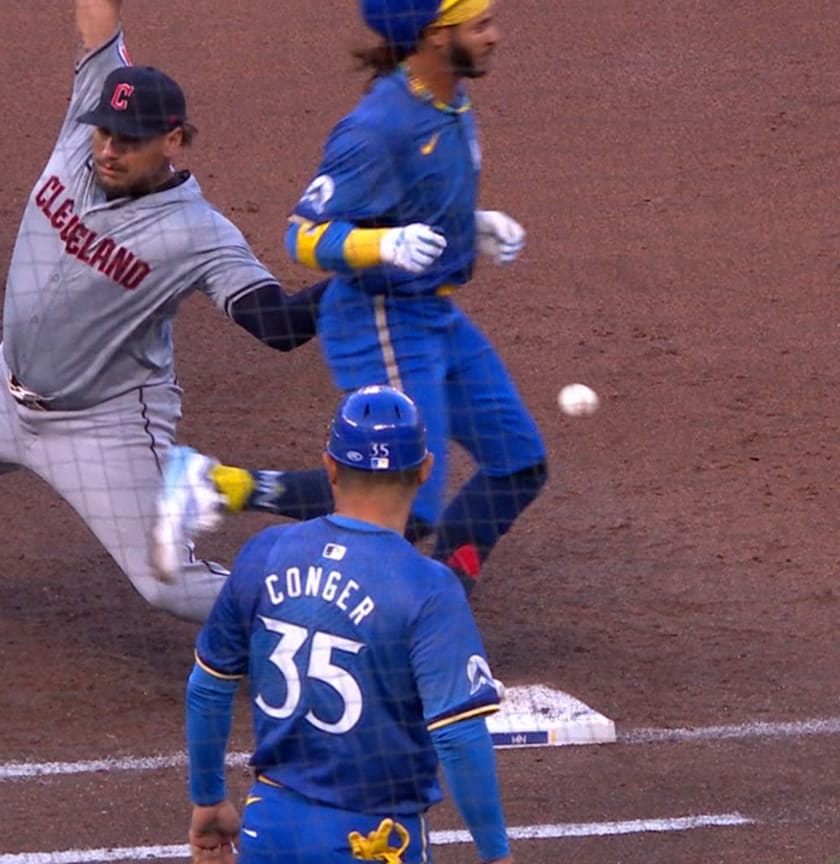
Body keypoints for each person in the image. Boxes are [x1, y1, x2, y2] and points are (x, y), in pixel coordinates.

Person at [0, 0, 328, 633]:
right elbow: (96, 20)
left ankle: (326, 619)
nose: (109, 150)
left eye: (130, 140)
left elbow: (278, 326)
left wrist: (368, 277)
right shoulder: (86, 135)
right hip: (0, 388)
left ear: (172, 140)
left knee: (168, 586)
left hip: (101, 422)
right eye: (104, 132)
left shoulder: (198, 233)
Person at [155, 0, 547, 599]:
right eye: (479, 25)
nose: (494, 36)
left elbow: (417, 198)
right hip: (380, 317)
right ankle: (218, 486)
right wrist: (383, 245)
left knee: (518, 461)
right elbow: (304, 235)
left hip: (433, 313)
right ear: (435, 36)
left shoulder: (451, 100)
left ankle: (443, 595)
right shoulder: (379, 126)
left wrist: (470, 228)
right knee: (405, 498)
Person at [185, 385, 513, 864]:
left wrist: (209, 798)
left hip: (270, 826)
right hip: (372, 840)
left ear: (331, 466)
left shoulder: (265, 552)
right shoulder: (427, 587)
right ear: (425, 470)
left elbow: (208, 689)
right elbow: (458, 736)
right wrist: (496, 854)